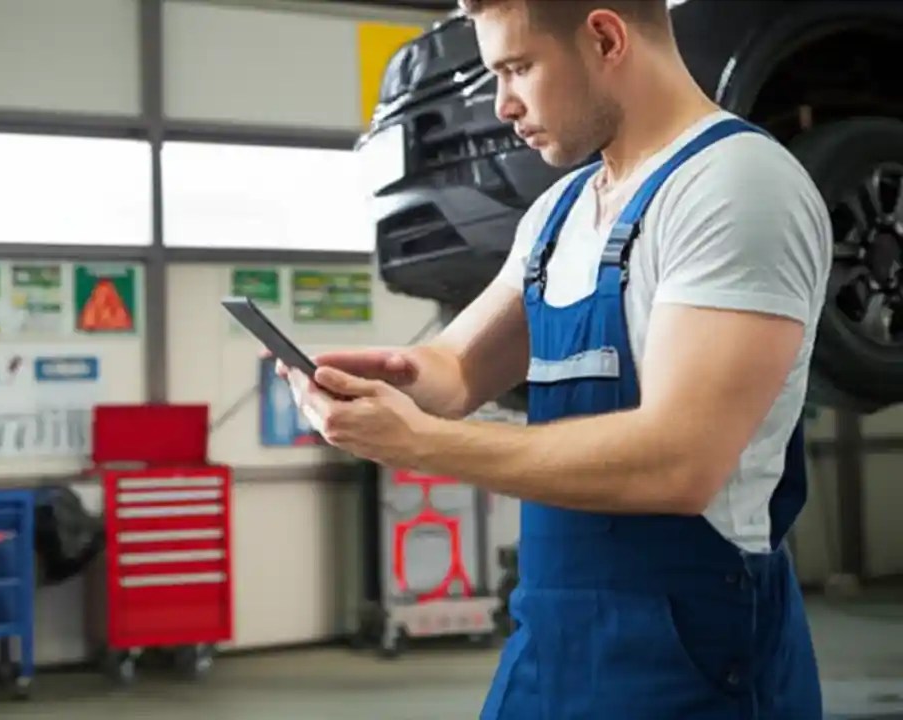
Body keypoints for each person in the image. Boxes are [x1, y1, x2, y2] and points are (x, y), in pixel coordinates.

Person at [278, 0, 833, 717]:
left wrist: (421, 443)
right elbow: (458, 369)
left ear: (604, 37)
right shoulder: (559, 211)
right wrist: (393, 381)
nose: (503, 105)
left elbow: (678, 462)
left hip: (691, 659)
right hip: (550, 644)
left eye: (517, 68)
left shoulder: (737, 186)